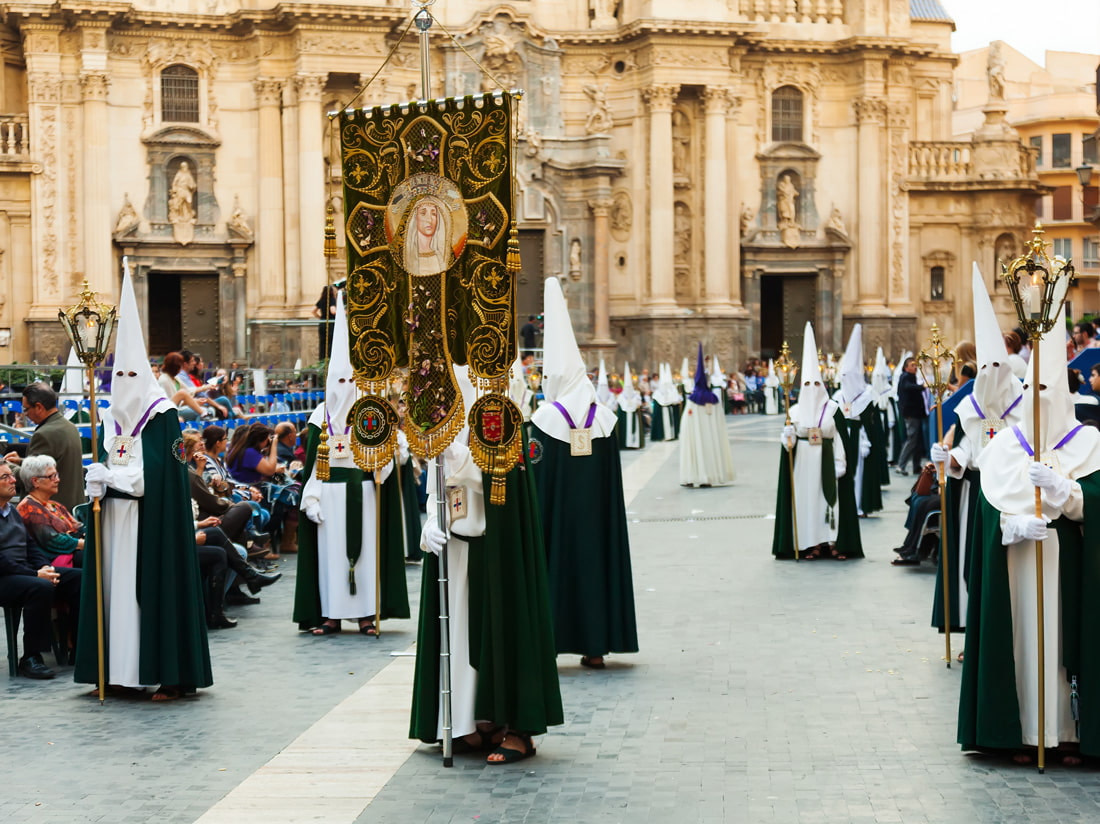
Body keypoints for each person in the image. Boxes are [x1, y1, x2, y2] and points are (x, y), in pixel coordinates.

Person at [959, 306, 1100, 763]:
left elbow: (1096, 499)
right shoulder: (1003, 446)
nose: (1037, 399)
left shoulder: (1088, 444)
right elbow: (987, 507)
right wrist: (1012, 523)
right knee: (1021, 645)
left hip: (1070, 567)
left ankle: (1071, 733)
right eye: (1030, 389)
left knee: (1064, 647)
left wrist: (1067, 492)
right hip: (1017, 564)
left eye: (1046, 389)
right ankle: (1022, 733)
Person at [411, 365, 563, 764]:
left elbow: (499, 475)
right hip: (455, 546)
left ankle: (516, 730)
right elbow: (438, 482)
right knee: (459, 638)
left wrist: (455, 453)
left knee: (501, 630)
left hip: (497, 547)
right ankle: (471, 722)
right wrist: (431, 521)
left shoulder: (500, 416)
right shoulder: (444, 419)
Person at [74, 270, 212, 701]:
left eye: (133, 374)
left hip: (149, 523)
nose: (126, 383)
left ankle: (164, 671)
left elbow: (156, 474)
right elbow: (111, 462)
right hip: (113, 521)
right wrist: (96, 481)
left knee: (146, 591)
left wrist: (112, 476)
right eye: (120, 375)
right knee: (114, 594)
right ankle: (116, 671)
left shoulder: (163, 415)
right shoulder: (110, 416)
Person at [529, 276, 638, 670]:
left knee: (556, 569)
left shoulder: (544, 420)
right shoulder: (605, 419)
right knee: (595, 570)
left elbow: (536, 480)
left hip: (557, 524)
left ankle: (552, 642)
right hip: (598, 523)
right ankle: (595, 646)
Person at [294, 292, 409, 636]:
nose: (344, 388)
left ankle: (365, 615)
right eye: (338, 380)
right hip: (329, 496)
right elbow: (312, 468)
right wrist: (311, 499)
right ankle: (331, 615)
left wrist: (381, 461)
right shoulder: (319, 418)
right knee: (330, 558)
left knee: (366, 556)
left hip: (364, 494)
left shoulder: (368, 414)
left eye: (349, 380)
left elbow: (386, 459)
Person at [927, 266, 1024, 632]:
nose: (992, 373)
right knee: (972, 561)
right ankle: (973, 630)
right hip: (975, 494)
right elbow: (968, 447)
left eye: (999, 366)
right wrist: (948, 457)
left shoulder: (1023, 405)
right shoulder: (971, 407)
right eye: (986, 367)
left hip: (1011, 493)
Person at [773, 322, 862, 561]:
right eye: (807, 384)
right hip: (803, 464)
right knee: (807, 503)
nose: (811, 389)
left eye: (815, 384)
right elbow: (789, 444)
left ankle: (832, 542)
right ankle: (809, 543)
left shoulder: (833, 409)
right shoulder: (795, 411)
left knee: (828, 503)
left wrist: (840, 462)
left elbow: (840, 437)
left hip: (827, 461)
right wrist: (787, 436)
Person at [0, 461, 82, 679]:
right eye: (5, 477)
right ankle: (31, 657)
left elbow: (31, 546)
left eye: (11, 475)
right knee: (40, 586)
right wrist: (36, 574)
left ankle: (79, 647)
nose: (13, 480)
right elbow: (2, 562)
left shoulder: (11, 511)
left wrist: (45, 567)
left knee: (80, 578)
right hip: (5, 577)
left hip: (24, 572)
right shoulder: (22, 508)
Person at [2, 382, 84, 512]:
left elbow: (32, 480)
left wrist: (6, 466)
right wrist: (22, 462)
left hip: (49, 513)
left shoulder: (44, 434)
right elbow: (54, 465)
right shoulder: (69, 427)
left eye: (26, 409)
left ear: (39, 407)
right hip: (70, 508)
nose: (25, 414)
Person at [226, 422, 300, 558]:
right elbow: (270, 470)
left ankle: (279, 542)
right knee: (283, 501)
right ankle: (273, 544)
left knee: (288, 494)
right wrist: (274, 445)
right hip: (250, 489)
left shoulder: (243, 450)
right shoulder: (249, 452)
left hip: (250, 487)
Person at [833, 324, 885, 517]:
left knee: (860, 473)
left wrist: (866, 439)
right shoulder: (837, 397)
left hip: (861, 438)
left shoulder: (867, 395)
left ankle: (860, 504)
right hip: (842, 438)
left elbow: (872, 423)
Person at [679, 344, 736, 487]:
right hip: (711, 434)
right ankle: (710, 475)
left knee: (696, 450)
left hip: (696, 433)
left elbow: (686, 421)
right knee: (709, 449)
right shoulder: (714, 398)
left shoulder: (693, 399)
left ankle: (695, 476)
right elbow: (720, 421)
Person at [16, 455, 85, 568]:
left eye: (56, 475)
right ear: (35, 481)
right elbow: (53, 541)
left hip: (74, 552)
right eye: (52, 476)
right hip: (54, 561)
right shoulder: (28, 508)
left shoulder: (54, 505)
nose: (57, 480)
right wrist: (86, 544)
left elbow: (78, 526)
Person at [894, 357, 927, 476]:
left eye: (915, 365)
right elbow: (908, 387)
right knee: (912, 439)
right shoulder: (905, 377)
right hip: (911, 414)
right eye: (912, 365)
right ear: (906, 367)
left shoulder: (910, 377)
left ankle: (916, 466)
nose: (915, 367)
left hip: (915, 413)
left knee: (917, 441)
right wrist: (922, 387)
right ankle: (901, 465)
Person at [615, 363, 645, 450]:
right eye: (627, 387)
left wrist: (634, 404)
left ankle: (634, 443)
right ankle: (624, 444)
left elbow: (638, 404)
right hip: (625, 416)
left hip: (634, 415)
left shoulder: (636, 395)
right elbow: (619, 404)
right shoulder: (621, 396)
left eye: (629, 387)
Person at [650, 363, 682, 442]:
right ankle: (662, 435)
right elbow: (657, 403)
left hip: (670, 409)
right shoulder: (658, 393)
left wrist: (674, 401)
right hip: (663, 411)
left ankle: (672, 435)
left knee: (671, 423)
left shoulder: (672, 390)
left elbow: (676, 400)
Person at [313, 283, 339, 359]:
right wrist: (341, 313)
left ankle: (322, 359)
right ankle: (329, 359)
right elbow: (333, 311)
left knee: (322, 344)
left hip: (322, 323)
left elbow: (313, 311)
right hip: (330, 323)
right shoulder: (332, 299)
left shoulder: (321, 300)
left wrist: (320, 317)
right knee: (330, 343)